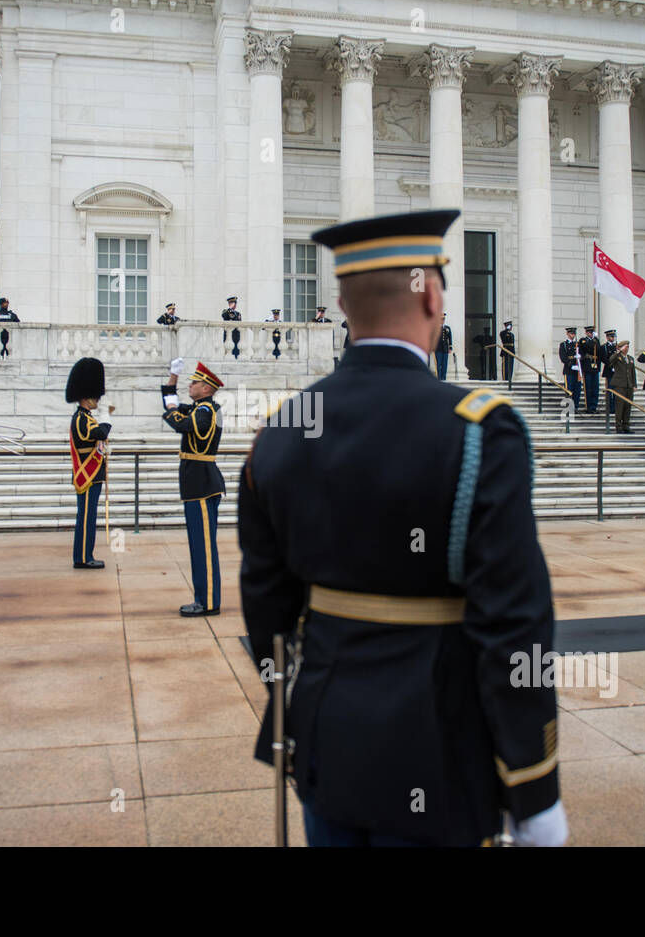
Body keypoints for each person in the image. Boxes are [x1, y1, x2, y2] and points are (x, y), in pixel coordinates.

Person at [240, 208, 565, 847]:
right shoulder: (479, 428)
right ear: (433, 295)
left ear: (340, 303)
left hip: (328, 748)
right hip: (441, 755)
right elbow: (514, 620)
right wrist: (534, 783)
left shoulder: (281, 432)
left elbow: (266, 613)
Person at [161, 359, 224, 616]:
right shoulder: (199, 407)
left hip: (202, 484)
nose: (191, 384)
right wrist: (172, 378)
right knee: (198, 546)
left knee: (204, 547)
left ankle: (208, 602)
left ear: (207, 388)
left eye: (195, 382)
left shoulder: (207, 411)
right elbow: (170, 404)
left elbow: (184, 424)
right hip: (196, 484)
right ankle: (203, 597)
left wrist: (174, 409)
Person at [67, 357, 110, 569]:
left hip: (91, 473)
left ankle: (84, 554)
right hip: (88, 474)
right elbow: (99, 433)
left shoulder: (85, 417)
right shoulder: (82, 419)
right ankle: (83, 557)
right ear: (88, 397)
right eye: (95, 397)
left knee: (88, 516)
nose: (98, 401)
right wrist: (108, 419)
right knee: (86, 517)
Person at [609, 339, 637, 433]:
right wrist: (619, 351)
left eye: (628, 347)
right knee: (619, 406)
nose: (627, 348)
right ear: (620, 348)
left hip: (628, 385)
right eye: (625, 346)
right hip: (619, 385)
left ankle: (626, 425)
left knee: (627, 407)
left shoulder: (630, 358)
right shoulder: (617, 357)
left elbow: (633, 373)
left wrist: (634, 384)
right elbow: (611, 360)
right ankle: (619, 426)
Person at [578, 325, 600, 411]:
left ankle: (594, 406)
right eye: (589, 332)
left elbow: (599, 350)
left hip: (595, 366)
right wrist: (593, 342)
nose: (591, 334)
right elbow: (586, 347)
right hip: (587, 366)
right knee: (588, 387)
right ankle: (588, 406)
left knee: (595, 387)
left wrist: (595, 341)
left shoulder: (596, 341)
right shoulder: (583, 340)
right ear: (586, 333)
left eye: (592, 332)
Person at [559, 326, 581, 408]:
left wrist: (580, 357)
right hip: (569, 370)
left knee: (577, 390)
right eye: (571, 333)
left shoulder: (578, 344)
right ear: (567, 334)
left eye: (574, 333)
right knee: (569, 389)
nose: (573, 335)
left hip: (577, 371)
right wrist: (571, 366)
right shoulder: (564, 345)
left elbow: (582, 355)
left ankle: (576, 406)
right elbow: (563, 357)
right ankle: (569, 407)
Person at [599, 329, 618, 413]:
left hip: (617, 372)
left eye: (614, 336)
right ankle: (610, 408)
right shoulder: (604, 347)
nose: (613, 338)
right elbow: (603, 358)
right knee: (610, 390)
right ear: (607, 337)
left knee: (617, 391)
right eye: (611, 336)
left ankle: (616, 407)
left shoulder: (617, 346)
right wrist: (611, 366)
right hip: (609, 371)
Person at [435, 313, 452, 380]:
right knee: (438, 364)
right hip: (438, 348)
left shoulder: (447, 328)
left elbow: (450, 338)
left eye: (443, 319)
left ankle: (443, 378)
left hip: (445, 348)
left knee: (444, 364)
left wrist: (450, 347)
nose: (442, 320)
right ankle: (439, 378)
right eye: (441, 319)